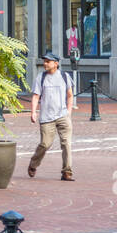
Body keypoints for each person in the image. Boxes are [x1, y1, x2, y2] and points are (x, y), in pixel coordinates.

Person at [28, 52, 75, 181]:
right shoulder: (40, 77)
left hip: (63, 116)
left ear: (56, 63)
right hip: (46, 117)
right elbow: (36, 96)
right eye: (44, 61)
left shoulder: (65, 77)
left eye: (48, 61)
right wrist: (33, 112)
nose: (45, 63)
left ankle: (67, 172)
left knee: (66, 144)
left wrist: (69, 112)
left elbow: (70, 95)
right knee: (45, 144)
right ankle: (33, 164)